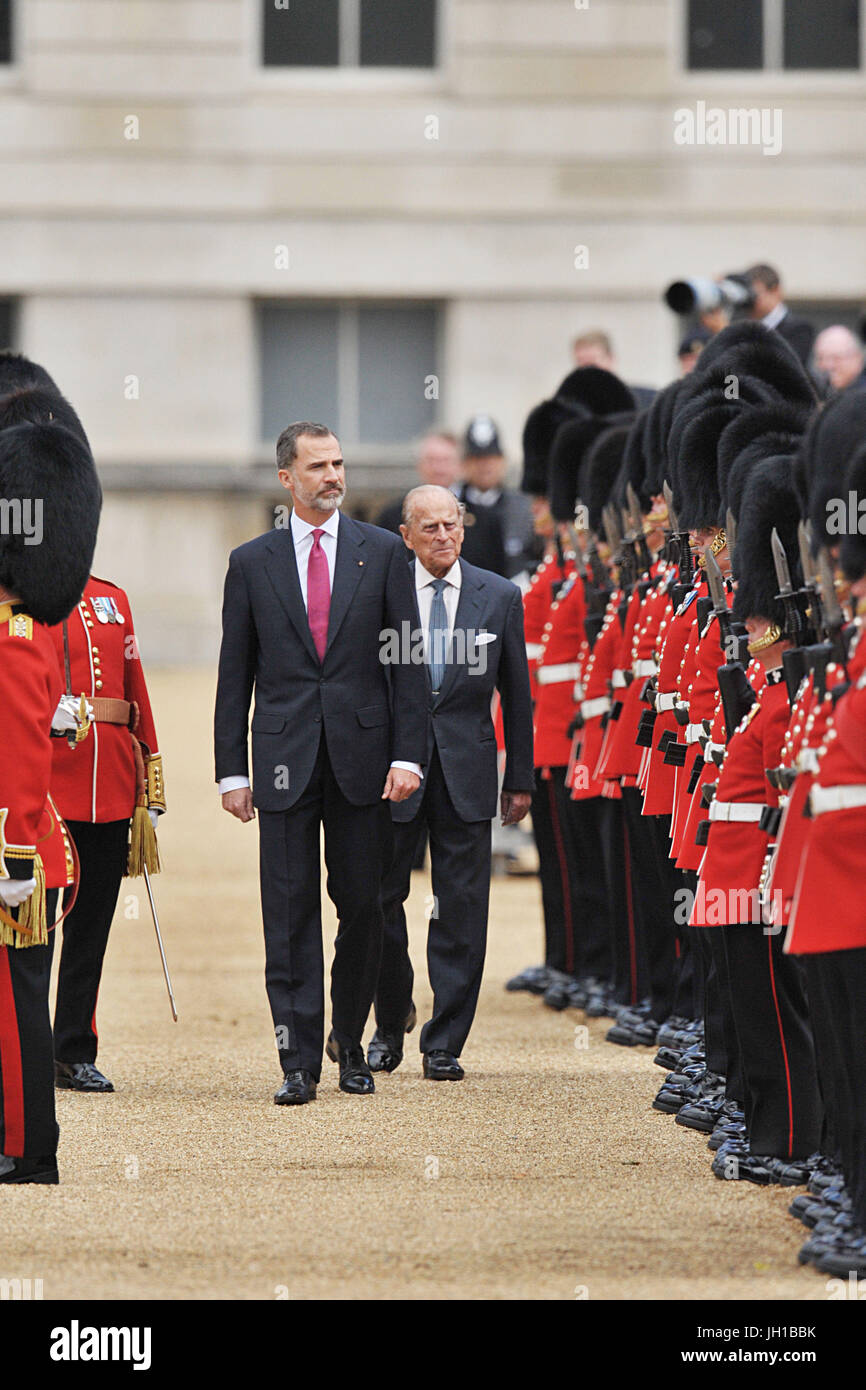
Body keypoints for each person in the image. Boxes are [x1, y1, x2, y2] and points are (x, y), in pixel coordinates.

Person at [214, 421, 427, 1106]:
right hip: (280, 756)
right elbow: (233, 674)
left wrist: (408, 756)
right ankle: (297, 1059)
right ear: (287, 479)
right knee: (289, 911)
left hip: (364, 758)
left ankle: (352, 1045)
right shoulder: (251, 563)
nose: (333, 476)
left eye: (338, 464)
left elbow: (408, 664)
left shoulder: (384, 553)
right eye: (317, 466)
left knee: (362, 905)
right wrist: (232, 770)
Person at [368, 486, 534, 1080]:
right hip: (397, 770)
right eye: (429, 528)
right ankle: (389, 1023)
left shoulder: (500, 596)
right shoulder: (381, 593)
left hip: (468, 769)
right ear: (406, 536)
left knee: (461, 907)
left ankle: (445, 1042)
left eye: (451, 525)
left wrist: (520, 779)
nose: (443, 536)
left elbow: (518, 695)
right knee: (382, 900)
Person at [0, 411, 102, 1184]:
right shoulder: (26, 632)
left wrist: (10, 858)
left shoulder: (10, 640)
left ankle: (26, 1150)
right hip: (34, 850)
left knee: (14, 1016)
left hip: (17, 858)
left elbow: (15, 767)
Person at [376, 429, 507, 576]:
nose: (438, 469)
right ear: (419, 465)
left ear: (460, 465)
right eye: (431, 461)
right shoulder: (393, 516)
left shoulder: (485, 520)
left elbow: (497, 577)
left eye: (445, 461)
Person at [455, 415, 535, 580]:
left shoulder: (523, 508)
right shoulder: (452, 508)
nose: (485, 466)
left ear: (503, 461)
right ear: (464, 464)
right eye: (477, 459)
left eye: (491, 458)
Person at [745, 263, 815, 366]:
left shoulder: (800, 329)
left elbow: (785, 368)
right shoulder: (740, 325)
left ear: (776, 290)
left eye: (755, 294)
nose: (751, 301)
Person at [572, 330, 656, 409]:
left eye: (592, 361)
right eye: (581, 362)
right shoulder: (571, 407)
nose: (587, 369)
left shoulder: (648, 400)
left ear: (611, 359)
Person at [813, 324, 866, 395]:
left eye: (836, 358)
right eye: (821, 358)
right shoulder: (818, 393)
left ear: (857, 358)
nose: (828, 365)